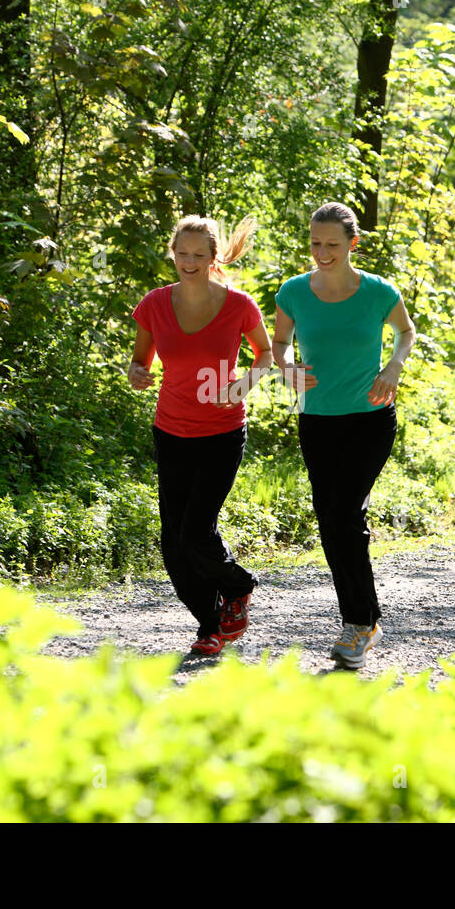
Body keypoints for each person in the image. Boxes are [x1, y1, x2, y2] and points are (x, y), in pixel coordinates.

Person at [272, 202, 417, 670]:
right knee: (336, 520)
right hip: (317, 421)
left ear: (352, 244)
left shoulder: (377, 292)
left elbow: (406, 331)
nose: (322, 252)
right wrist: (288, 367)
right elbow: (278, 342)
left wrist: (393, 367)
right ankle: (365, 620)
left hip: (370, 419)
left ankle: (358, 624)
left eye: (332, 244)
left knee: (339, 516)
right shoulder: (294, 292)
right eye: (315, 243)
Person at [128, 214, 275, 656]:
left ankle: (238, 585)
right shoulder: (153, 304)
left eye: (198, 255)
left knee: (194, 530)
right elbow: (140, 362)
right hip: (171, 429)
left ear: (214, 258)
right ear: (172, 252)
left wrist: (242, 385)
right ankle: (210, 625)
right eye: (182, 254)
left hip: (221, 431)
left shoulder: (238, 305)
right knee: (172, 541)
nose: (188, 262)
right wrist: (137, 373)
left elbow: (266, 355)